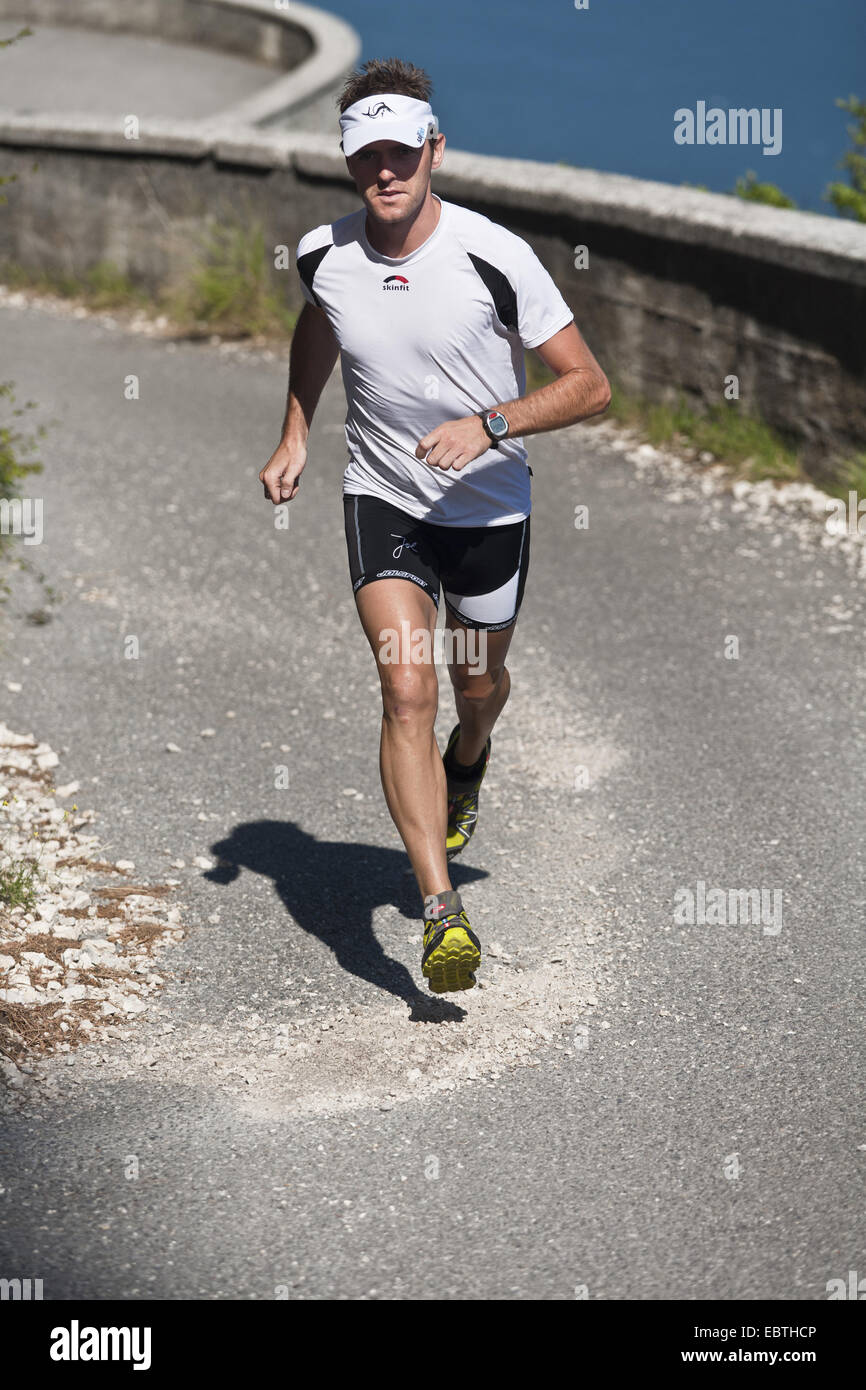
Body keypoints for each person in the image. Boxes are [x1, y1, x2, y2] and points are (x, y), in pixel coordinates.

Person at [260, 58, 610, 995]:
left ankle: (473, 755)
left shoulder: (495, 256)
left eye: (401, 152)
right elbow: (319, 327)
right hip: (384, 500)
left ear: (434, 149)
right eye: (367, 155)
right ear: (348, 162)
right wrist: (296, 428)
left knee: (477, 681)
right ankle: (440, 909)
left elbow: (590, 384)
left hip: (489, 506)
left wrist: (493, 421)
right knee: (406, 692)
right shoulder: (322, 254)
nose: (386, 171)